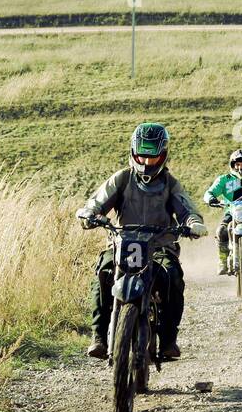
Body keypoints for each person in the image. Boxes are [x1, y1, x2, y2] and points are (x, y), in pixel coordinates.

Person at [77, 122, 206, 360]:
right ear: (133, 152)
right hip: (121, 245)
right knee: (103, 273)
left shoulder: (170, 184)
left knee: (172, 276)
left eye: (153, 157)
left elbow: (187, 208)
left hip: (159, 247)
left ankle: (168, 339)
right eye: (142, 156)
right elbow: (98, 201)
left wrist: (193, 223)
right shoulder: (122, 179)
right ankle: (98, 336)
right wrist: (89, 213)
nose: (146, 162)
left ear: (164, 155)